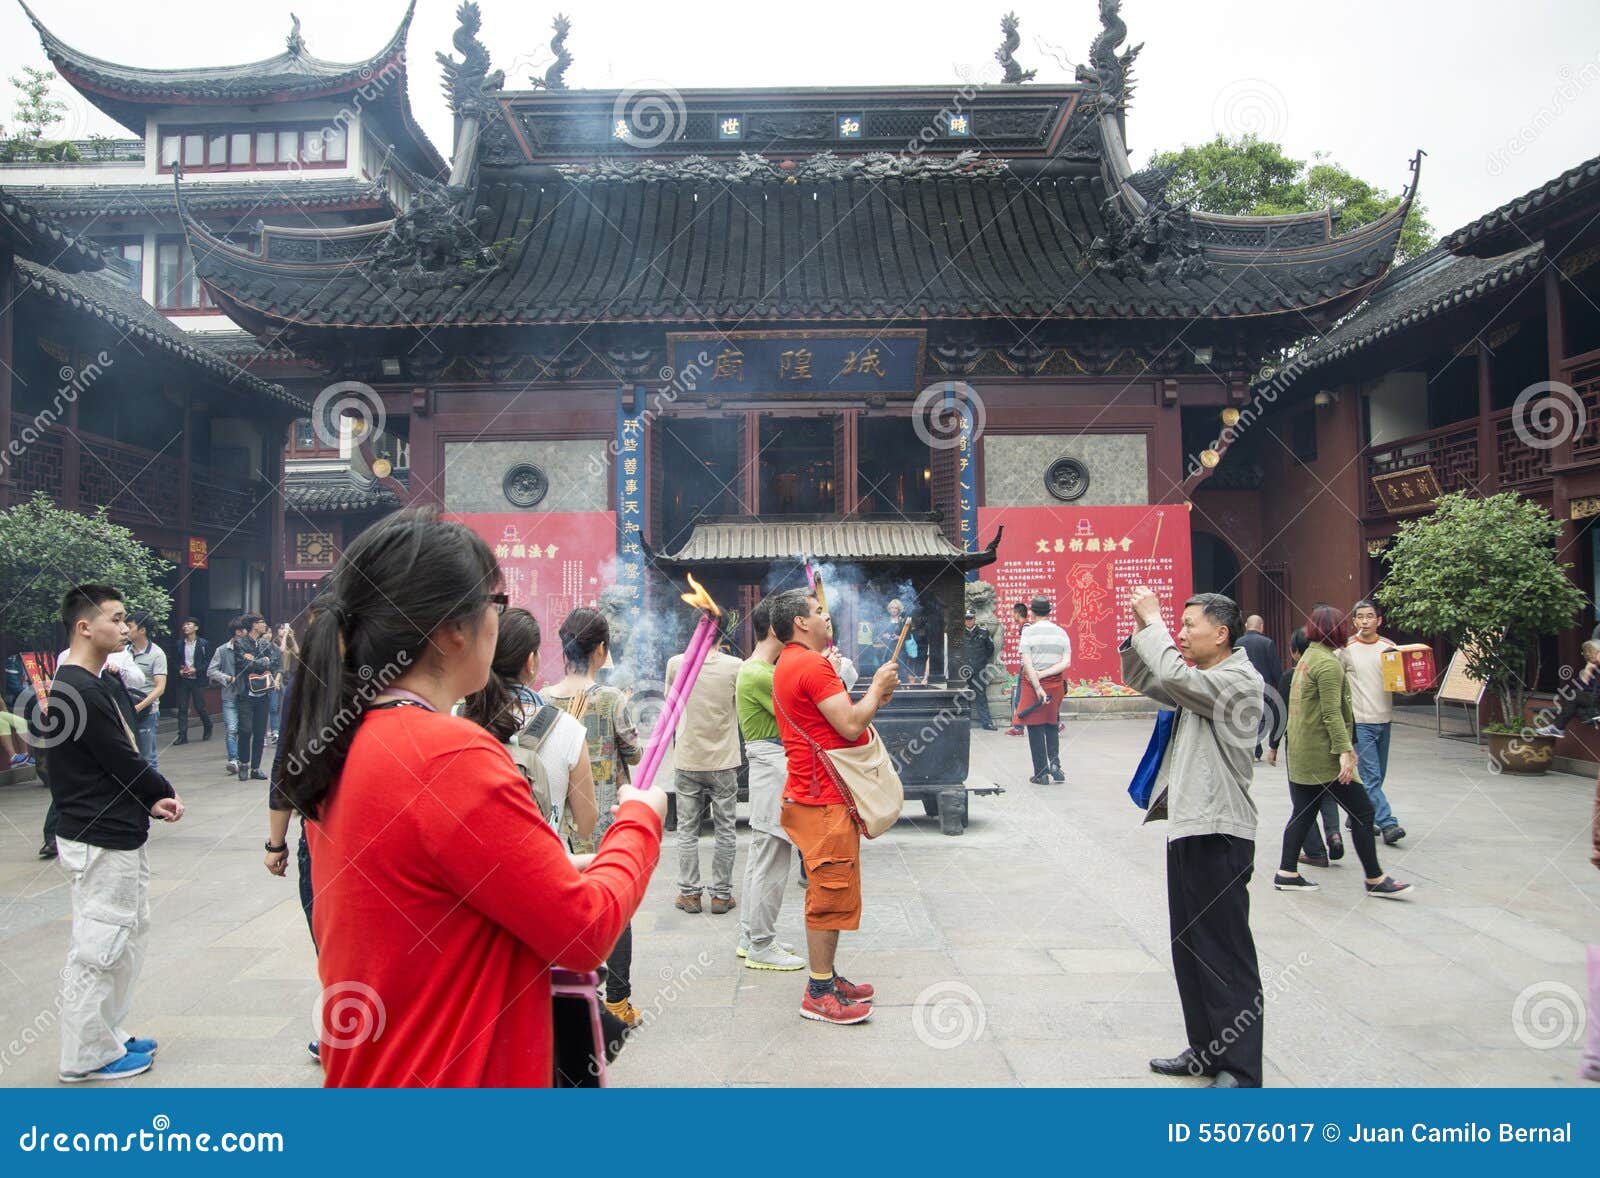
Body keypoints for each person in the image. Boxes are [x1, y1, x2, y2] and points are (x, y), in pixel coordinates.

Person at [278, 510, 663, 1087]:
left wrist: (556, 866)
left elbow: (425, 892)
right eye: (495, 605)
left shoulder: (349, 736)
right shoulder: (447, 752)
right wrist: (639, 821)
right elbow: (583, 934)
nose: (497, 622)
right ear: (452, 630)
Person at [1120, 588, 1262, 1087]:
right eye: (1176, 625)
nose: (1179, 633)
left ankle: (1241, 1069)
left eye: (1189, 626)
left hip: (1220, 831)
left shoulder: (1238, 680)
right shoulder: (1201, 679)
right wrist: (1140, 629)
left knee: (1224, 951)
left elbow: (1172, 674)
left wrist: (1153, 621)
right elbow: (1146, 676)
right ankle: (1205, 1050)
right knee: (1190, 946)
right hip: (1190, 825)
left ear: (1221, 634)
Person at [49, 584, 185, 1082]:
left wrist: (147, 798)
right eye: (117, 618)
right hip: (98, 833)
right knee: (98, 946)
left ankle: (109, 1034)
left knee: (125, 936)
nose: (125, 628)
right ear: (85, 627)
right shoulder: (76, 689)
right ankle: (87, 1056)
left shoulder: (92, 682)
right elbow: (120, 758)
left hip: (116, 830)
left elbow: (115, 757)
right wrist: (158, 790)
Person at [771, 588, 899, 1025]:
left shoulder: (792, 662)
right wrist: (877, 687)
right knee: (828, 892)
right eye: (819, 611)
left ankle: (828, 975)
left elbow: (840, 719)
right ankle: (818, 992)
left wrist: (874, 698)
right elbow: (848, 724)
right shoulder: (810, 663)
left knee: (834, 886)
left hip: (817, 793)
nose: (828, 617)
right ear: (801, 623)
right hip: (821, 796)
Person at [543, 607, 646, 1029]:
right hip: (604, 821)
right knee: (615, 908)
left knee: (563, 910)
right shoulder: (611, 699)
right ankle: (618, 1001)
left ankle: (576, 994)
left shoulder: (545, 700)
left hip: (558, 823)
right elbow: (635, 753)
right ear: (601, 649)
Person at [1274, 605, 1413, 900]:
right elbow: (1331, 715)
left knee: (1303, 811)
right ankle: (1374, 878)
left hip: (1301, 753)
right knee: (1363, 811)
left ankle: (1286, 872)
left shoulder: (1308, 658)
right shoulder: (1327, 664)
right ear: (1337, 630)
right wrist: (1345, 752)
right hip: (1323, 757)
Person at [461, 607, 599, 848]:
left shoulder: (453, 717)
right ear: (530, 661)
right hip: (544, 871)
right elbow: (586, 824)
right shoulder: (567, 728)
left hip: (466, 873)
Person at [735, 595, 804, 970]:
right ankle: (761, 943)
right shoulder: (761, 673)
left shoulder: (755, 669)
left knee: (762, 856)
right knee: (773, 857)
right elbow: (801, 710)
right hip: (773, 764)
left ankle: (753, 936)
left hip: (770, 764)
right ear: (776, 629)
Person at [665, 628, 744, 916]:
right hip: (723, 760)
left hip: (688, 759)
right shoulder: (736, 666)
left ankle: (690, 894)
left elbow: (671, 707)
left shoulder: (676, 664)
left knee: (687, 829)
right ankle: (722, 896)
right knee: (726, 828)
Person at [1266, 628, 1343, 867]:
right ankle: (1334, 832)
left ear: (1294, 652)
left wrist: (1274, 745)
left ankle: (1315, 851)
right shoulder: (1329, 668)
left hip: (1300, 743)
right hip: (1328, 740)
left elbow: (1280, 712)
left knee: (1302, 799)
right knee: (1328, 791)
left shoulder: (1292, 676)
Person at [1341, 600, 1406, 846]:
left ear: (1379, 620)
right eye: (1360, 617)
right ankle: (1388, 824)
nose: (1365, 621)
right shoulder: (1346, 649)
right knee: (1371, 776)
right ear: (1354, 621)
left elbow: (1399, 682)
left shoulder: (1389, 648)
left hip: (1385, 719)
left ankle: (1355, 812)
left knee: (1378, 776)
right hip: (1361, 722)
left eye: (1370, 616)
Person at [1017, 596, 1070, 783]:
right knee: (1052, 723)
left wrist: (1038, 682)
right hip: (1055, 685)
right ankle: (1055, 765)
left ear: (1031, 612)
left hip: (1033, 685)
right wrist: (1047, 673)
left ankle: (1041, 773)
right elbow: (1066, 662)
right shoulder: (1061, 632)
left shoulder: (1028, 633)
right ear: (1050, 611)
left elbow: (1027, 662)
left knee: (1035, 727)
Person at [232, 614, 281, 783]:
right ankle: (244, 764)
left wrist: (257, 660)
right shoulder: (239, 643)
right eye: (262, 622)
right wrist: (262, 661)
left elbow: (274, 662)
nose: (264, 625)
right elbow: (243, 665)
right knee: (245, 730)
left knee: (260, 733)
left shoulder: (266, 643)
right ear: (254, 625)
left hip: (264, 692)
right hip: (246, 693)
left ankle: (256, 768)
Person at [125, 614, 168, 771]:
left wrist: (140, 706)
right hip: (126, 709)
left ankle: (152, 793)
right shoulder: (124, 652)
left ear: (142, 630)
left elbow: (160, 687)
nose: (125, 629)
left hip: (147, 712)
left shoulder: (157, 654)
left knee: (147, 756)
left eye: (129, 626)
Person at [1535, 640, 1600, 737]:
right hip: (1594, 700)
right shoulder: (1591, 667)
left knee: (1574, 695)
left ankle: (1558, 728)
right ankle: (1591, 716)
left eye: (1590, 651)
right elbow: (1582, 688)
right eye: (1586, 652)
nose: (1587, 655)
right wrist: (1587, 671)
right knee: (1572, 701)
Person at [208, 618, 248, 774]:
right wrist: (228, 678)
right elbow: (211, 671)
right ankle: (233, 759)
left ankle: (243, 759)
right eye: (244, 630)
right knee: (231, 728)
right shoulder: (222, 650)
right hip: (230, 695)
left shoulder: (249, 649)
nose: (246, 632)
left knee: (244, 730)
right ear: (238, 632)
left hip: (247, 696)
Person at [1238, 615, 1280, 760]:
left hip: (1242, 686)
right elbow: (1275, 669)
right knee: (1261, 719)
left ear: (1245, 626)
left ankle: (1253, 748)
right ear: (1261, 626)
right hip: (1264, 687)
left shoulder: (1238, 643)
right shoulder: (1268, 643)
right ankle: (1255, 747)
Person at [170, 617, 212, 744]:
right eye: (184, 625)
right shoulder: (179, 644)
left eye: (189, 624)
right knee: (182, 708)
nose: (185, 627)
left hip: (197, 679)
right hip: (184, 679)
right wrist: (179, 670)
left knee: (200, 707)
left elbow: (208, 662)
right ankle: (182, 736)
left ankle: (208, 725)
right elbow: (175, 661)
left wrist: (196, 670)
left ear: (196, 628)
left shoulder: (203, 644)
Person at [960, 608, 997, 730]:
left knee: (981, 696)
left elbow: (990, 649)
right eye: (966, 619)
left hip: (979, 670)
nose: (969, 621)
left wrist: (982, 661)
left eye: (970, 619)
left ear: (974, 619)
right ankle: (963, 722)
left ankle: (986, 723)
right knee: (964, 696)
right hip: (963, 670)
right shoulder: (959, 633)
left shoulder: (983, 632)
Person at [1005, 601, 1029, 737]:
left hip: (1026, 668)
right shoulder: (1025, 627)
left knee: (1019, 699)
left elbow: (1026, 650)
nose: (1012, 616)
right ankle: (1018, 726)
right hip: (1026, 668)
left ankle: (1019, 727)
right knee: (1028, 699)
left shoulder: (1026, 627)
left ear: (1018, 613)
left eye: (1013, 613)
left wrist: (1025, 668)